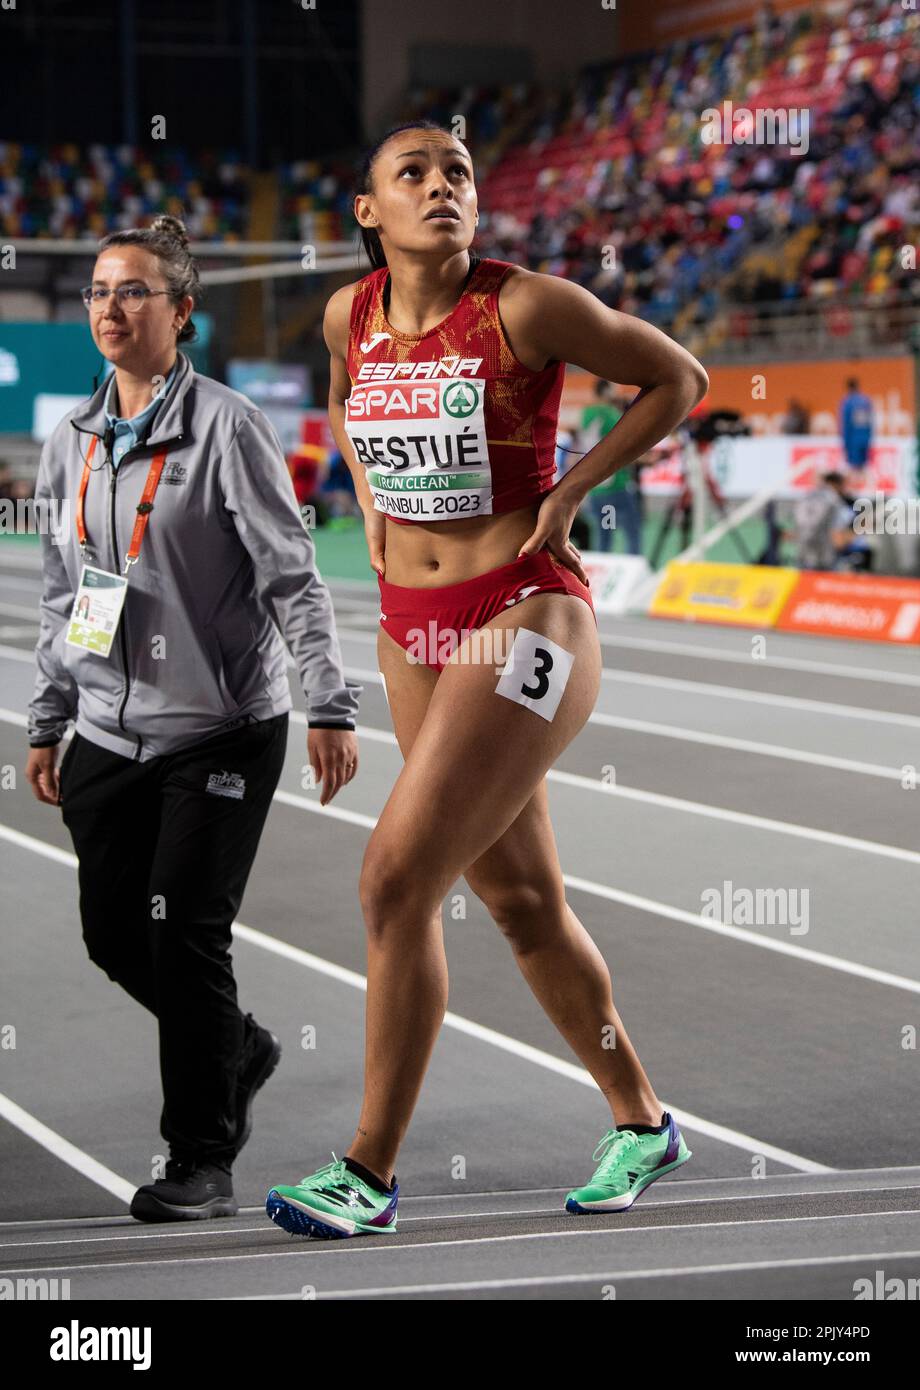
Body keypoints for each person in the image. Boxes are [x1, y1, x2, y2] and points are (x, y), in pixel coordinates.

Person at [265, 122, 708, 1239]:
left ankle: (367, 1173)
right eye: (410, 175)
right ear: (368, 211)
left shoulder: (527, 306)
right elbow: (340, 406)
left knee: (392, 879)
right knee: (517, 901)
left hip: (522, 612)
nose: (439, 188)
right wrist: (364, 495)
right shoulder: (345, 316)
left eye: (455, 173)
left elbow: (677, 378)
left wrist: (569, 493)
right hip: (410, 627)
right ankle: (642, 1121)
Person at [25, 214, 362, 1223]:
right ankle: (238, 1049)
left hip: (218, 727)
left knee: (182, 930)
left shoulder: (225, 426)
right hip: (107, 728)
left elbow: (291, 576)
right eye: (97, 291)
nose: (110, 308)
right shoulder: (71, 440)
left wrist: (327, 701)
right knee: (109, 931)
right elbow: (63, 587)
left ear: (181, 310)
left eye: (134, 291)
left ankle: (201, 1156)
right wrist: (48, 716)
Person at [579, 381, 643, 555]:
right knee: (632, 531)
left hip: (595, 486)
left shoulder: (586, 414)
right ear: (607, 391)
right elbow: (625, 446)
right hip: (615, 485)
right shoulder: (610, 414)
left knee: (605, 533)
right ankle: (635, 570)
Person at [839, 378, 874, 471]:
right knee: (865, 467)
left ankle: (855, 485)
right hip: (866, 439)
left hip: (853, 440)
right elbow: (871, 423)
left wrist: (845, 444)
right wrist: (869, 438)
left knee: (853, 468)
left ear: (849, 388)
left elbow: (845, 425)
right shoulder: (866, 401)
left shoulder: (848, 402)